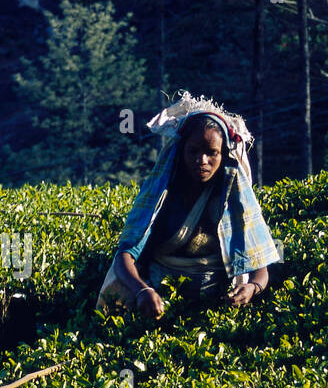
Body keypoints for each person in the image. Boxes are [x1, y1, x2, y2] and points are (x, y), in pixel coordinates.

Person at [98, 98, 280, 318]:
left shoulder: (231, 199)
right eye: (193, 151)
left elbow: (259, 265)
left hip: (217, 301)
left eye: (211, 153)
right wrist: (142, 290)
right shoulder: (163, 196)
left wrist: (252, 288)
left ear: (222, 156)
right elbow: (125, 255)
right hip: (158, 296)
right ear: (181, 152)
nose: (201, 160)